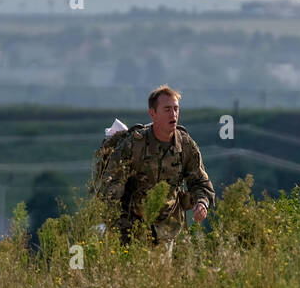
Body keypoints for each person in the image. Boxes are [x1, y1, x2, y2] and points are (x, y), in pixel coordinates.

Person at [91, 85, 216, 246]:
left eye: (176, 109)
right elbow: (111, 182)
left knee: (165, 270)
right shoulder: (134, 145)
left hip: (169, 227)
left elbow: (200, 181)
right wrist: (114, 221)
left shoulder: (185, 145)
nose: (174, 114)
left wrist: (201, 202)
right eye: (167, 109)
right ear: (153, 113)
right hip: (132, 228)